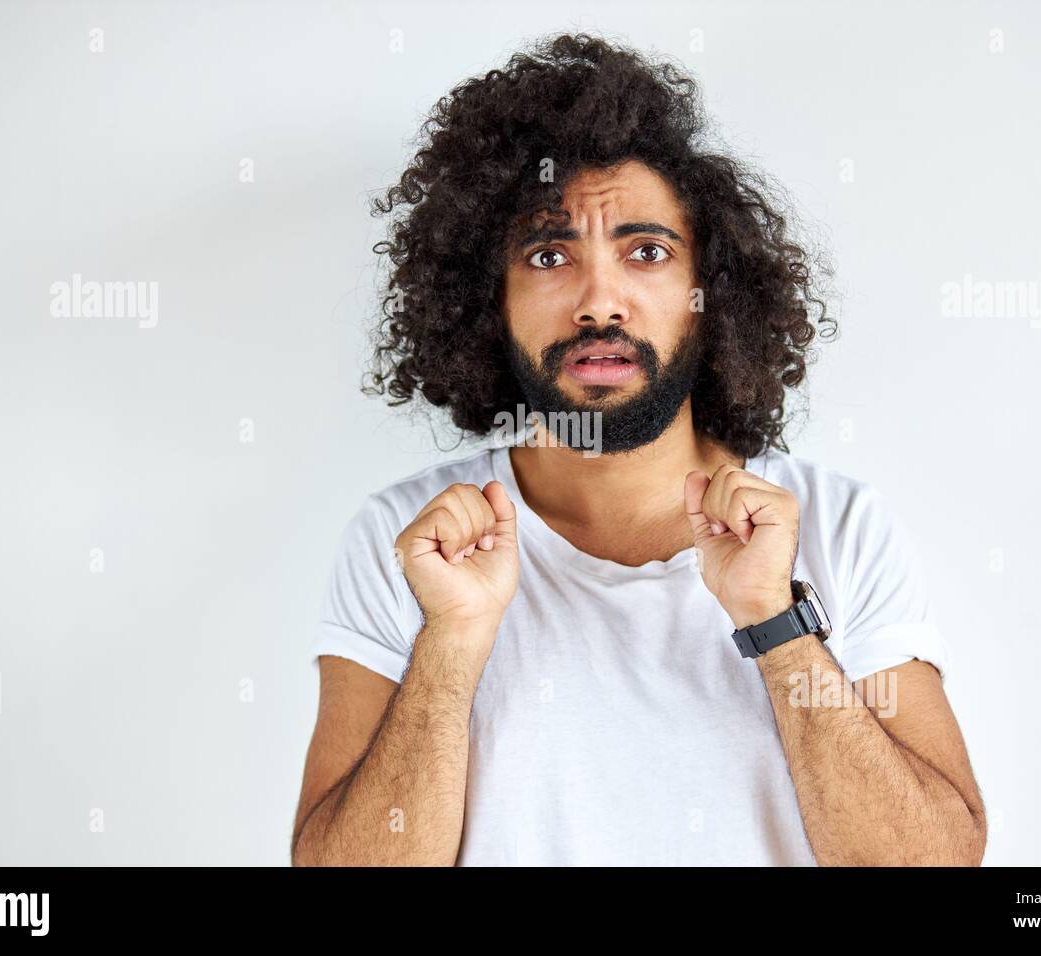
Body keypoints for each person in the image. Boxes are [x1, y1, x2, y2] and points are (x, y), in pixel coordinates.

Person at [292, 33, 985, 866]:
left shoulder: (835, 526)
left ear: (709, 294)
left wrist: (775, 621)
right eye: (550, 255)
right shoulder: (408, 540)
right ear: (491, 300)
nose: (599, 302)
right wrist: (451, 640)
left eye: (646, 252)